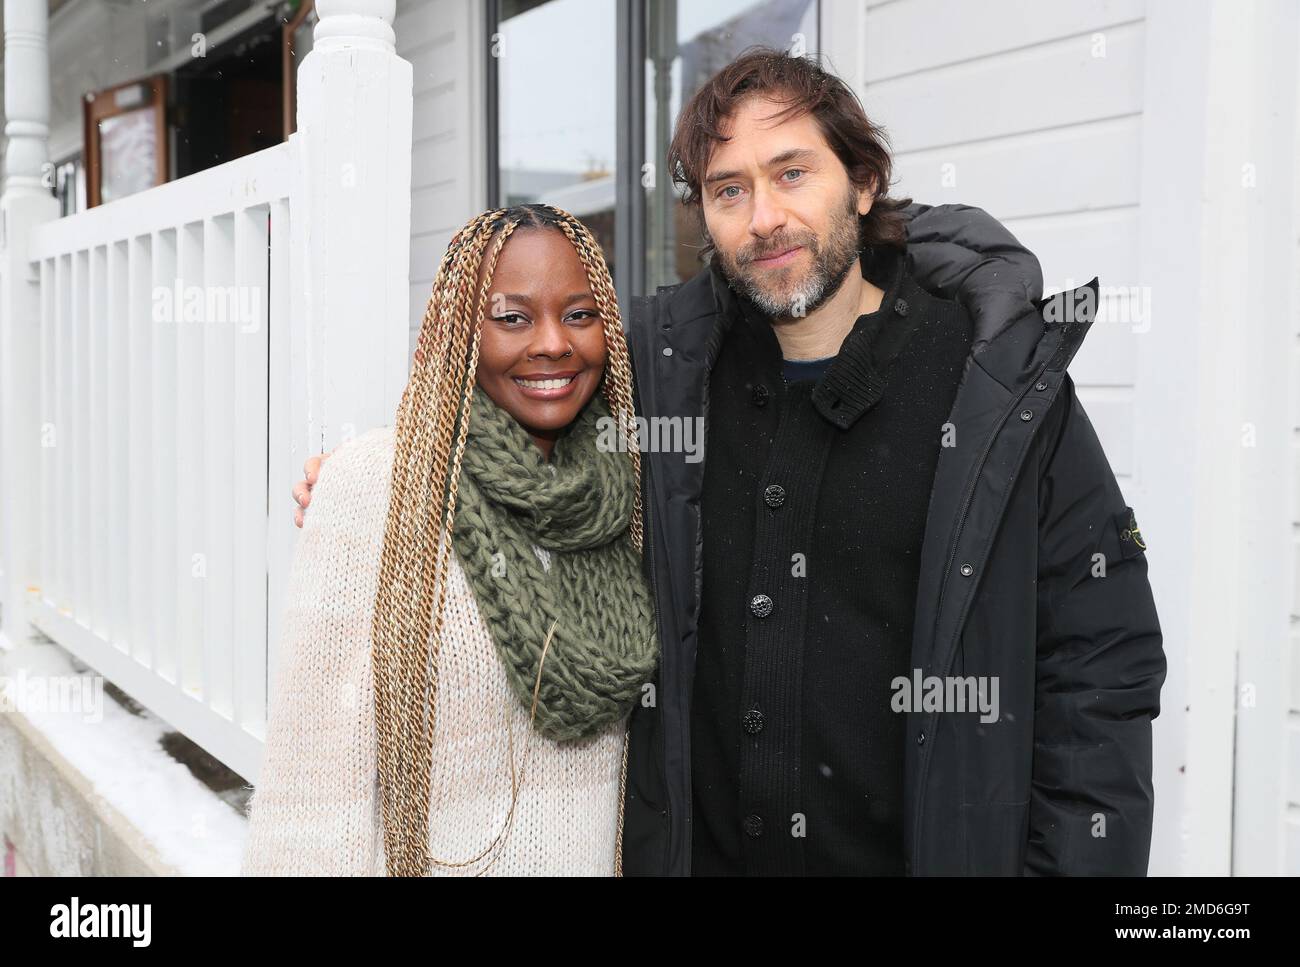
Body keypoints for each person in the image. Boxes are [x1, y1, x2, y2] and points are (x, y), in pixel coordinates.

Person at [296, 50, 1167, 878]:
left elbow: (1103, 667)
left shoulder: (996, 392)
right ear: (704, 218)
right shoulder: (663, 371)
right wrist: (378, 473)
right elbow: (522, 382)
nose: (764, 218)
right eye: (728, 190)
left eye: (793, 173)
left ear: (862, 183)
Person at [244, 204, 657, 876]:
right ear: (460, 329)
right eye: (513, 317)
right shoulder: (377, 485)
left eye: (579, 314)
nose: (553, 343)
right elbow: (311, 778)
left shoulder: (635, 490)